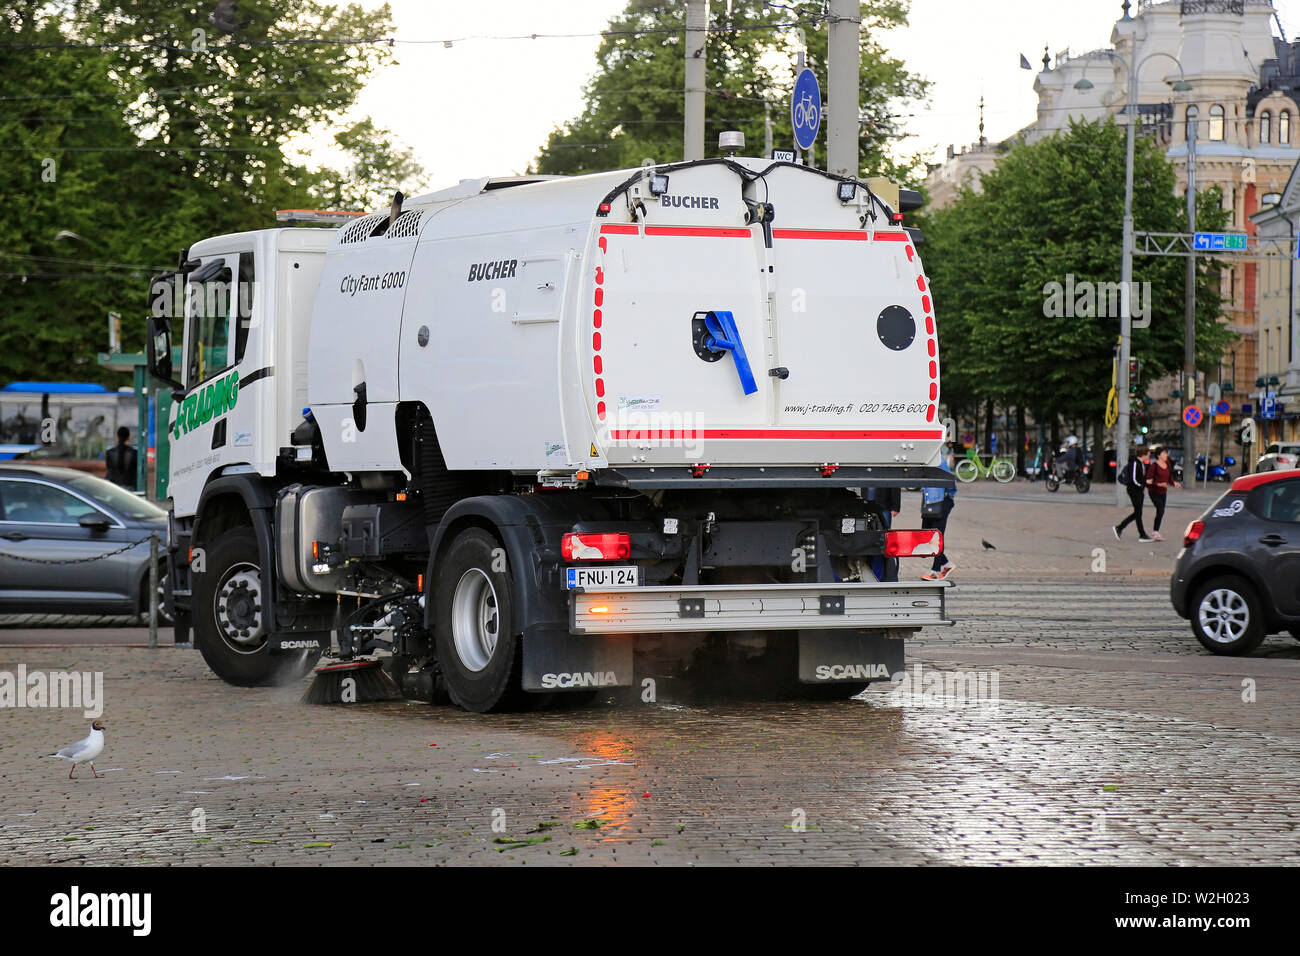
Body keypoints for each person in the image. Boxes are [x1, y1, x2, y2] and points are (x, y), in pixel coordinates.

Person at [920, 447, 957, 581]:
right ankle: (946, 564)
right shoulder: (925, 462)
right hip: (929, 504)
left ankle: (935, 571)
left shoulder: (938, 461)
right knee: (927, 536)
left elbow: (951, 483)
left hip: (940, 502)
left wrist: (947, 499)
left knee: (936, 537)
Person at [1113, 446, 1153, 543]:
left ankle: (1123, 528)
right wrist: (1144, 484)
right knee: (1138, 513)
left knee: (1138, 513)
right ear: (1143, 454)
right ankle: (1139, 533)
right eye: (1148, 454)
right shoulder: (1135, 463)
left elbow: (1140, 478)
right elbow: (1134, 479)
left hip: (1138, 490)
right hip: (1134, 490)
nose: (1149, 456)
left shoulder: (1140, 463)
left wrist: (1145, 484)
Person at [1145, 444, 1180, 541]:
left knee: (1161, 511)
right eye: (1164, 453)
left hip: (1163, 492)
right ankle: (1155, 532)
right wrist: (1158, 484)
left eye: (1166, 453)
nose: (1166, 455)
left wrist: (1174, 483)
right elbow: (1148, 480)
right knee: (1160, 509)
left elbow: (1169, 479)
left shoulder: (1167, 465)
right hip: (1154, 491)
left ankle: (1156, 531)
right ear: (1158, 455)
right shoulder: (1154, 466)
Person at [105, 426, 138, 490]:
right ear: (129, 438)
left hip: (114, 487)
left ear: (117, 437)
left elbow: (109, 469)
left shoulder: (110, 452)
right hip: (130, 487)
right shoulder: (134, 452)